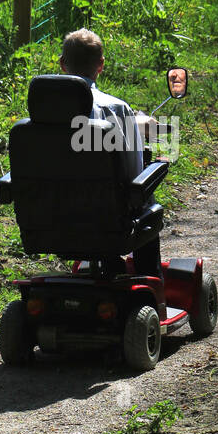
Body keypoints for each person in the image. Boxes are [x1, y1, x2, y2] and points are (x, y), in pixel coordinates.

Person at [59, 28, 162, 280]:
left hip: (54, 215)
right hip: (106, 218)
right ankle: (151, 283)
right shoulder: (115, 109)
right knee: (144, 204)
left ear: (62, 64)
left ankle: (110, 265)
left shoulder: (41, 111)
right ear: (101, 65)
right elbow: (134, 170)